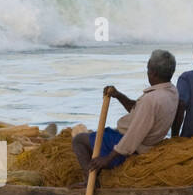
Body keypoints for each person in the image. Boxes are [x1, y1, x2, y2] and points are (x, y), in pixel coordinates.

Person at [71, 50, 179, 186]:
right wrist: (118, 95)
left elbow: (133, 136)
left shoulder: (151, 100)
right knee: (96, 135)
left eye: (148, 69)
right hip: (144, 142)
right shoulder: (171, 91)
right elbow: (136, 110)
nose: (147, 72)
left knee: (79, 140)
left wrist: (107, 159)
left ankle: (90, 182)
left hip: (134, 148)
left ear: (154, 73)